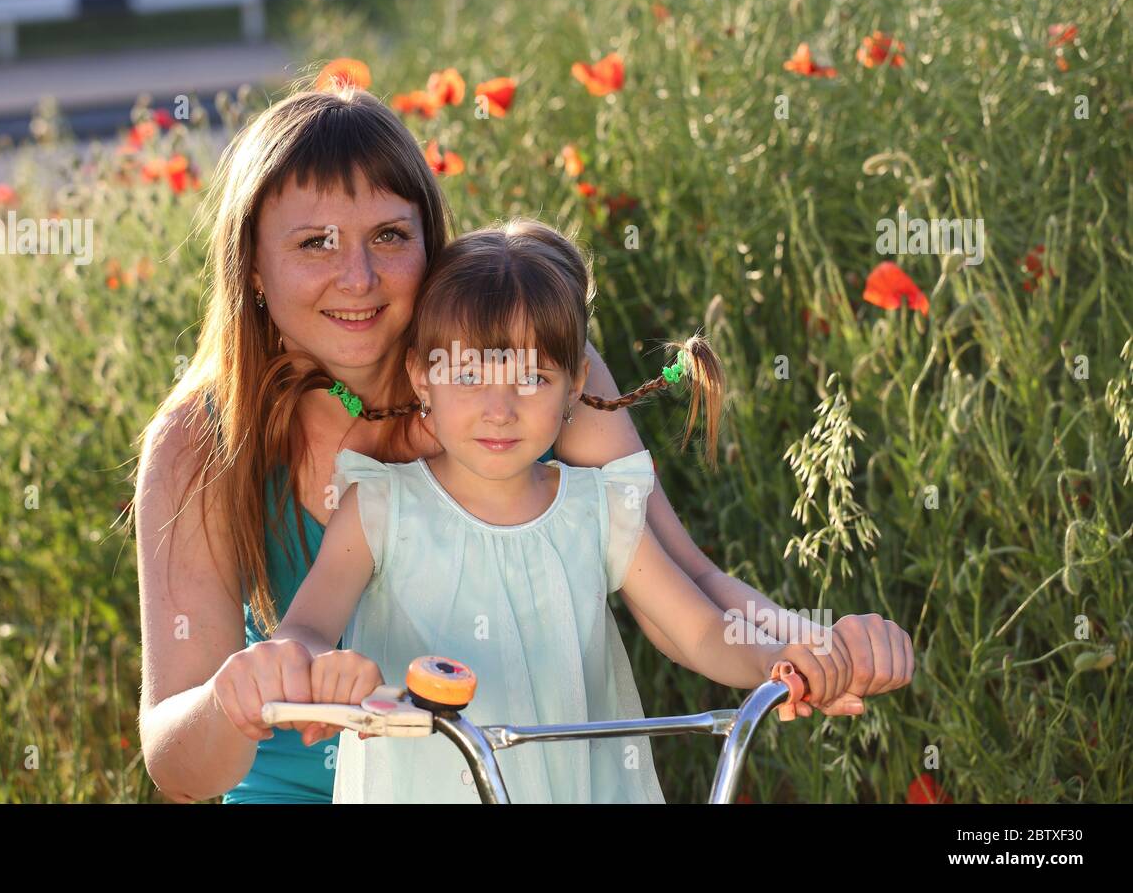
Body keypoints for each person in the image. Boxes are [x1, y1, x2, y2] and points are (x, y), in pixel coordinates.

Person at [134, 82, 914, 804]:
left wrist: (815, 646)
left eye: (389, 235)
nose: (361, 276)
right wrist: (239, 694)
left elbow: (692, 584)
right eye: (315, 245)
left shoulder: (534, 374)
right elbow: (180, 764)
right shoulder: (201, 442)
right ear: (253, 268)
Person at [268, 218, 862, 802]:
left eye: (531, 377)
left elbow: (699, 630)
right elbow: (306, 626)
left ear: (575, 382)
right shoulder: (378, 507)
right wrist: (320, 664)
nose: (499, 410)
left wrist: (773, 660)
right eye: (469, 375)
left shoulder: (596, 510)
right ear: (422, 375)